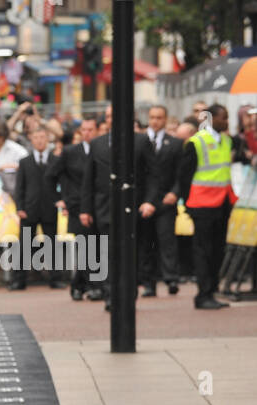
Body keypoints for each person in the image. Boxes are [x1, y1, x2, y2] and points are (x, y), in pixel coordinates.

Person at [81, 105, 152, 310]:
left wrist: (149, 201)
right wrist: (85, 209)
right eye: (109, 116)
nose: (113, 119)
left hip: (134, 208)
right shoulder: (97, 144)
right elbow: (89, 179)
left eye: (117, 115)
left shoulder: (141, 141)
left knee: (131, 253)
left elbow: (152, 174)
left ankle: (129, 295)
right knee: (109, 254)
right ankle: (111, 295)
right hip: (105, 208)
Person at [178, 104, 244, 309]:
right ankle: (203, 294)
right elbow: (184, 177)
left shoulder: (227, 140)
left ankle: (211, 291)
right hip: (202, 204)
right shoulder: (196, 142)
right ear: (211, 118)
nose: (227, 121)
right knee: (203, 251)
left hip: (222, 203)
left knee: (217, 250)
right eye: (223, 118)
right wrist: (187, 204)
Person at [50, 117, 98, 300]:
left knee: (96, 247)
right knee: (85, 247)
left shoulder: (101, 149)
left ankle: (86, 286)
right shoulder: (70, 152)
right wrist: (60, 200)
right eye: (84, 130)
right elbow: (50, 176)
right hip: (77, 206)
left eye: (91, 129)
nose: (87, 133)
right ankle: (85, 286)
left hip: (97, 206)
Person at [12, 125, 62, 291]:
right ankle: (19, 281)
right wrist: (19, 206)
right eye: (36, 138)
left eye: (42, 137)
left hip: (50, 208)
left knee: (52, 245)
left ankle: (55, 279)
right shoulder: (25, 162)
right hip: (29, 209)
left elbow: (62, 183)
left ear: (47, 140)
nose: (40, 141)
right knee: (24, 246)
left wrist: (61, 200)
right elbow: (19, 187)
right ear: (31, 141)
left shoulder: (56, 160)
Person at [141, 105, 183, 297]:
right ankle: (149, 283)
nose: (155, 121)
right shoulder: (141, 141)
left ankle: (171, 278)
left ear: (165, 119)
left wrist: (175, 192)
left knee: (167, 241)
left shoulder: (174, 144)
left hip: (166, 199)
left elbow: (180, 173)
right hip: (145, 202)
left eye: (159, 117)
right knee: (146, 242)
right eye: (152, 117)